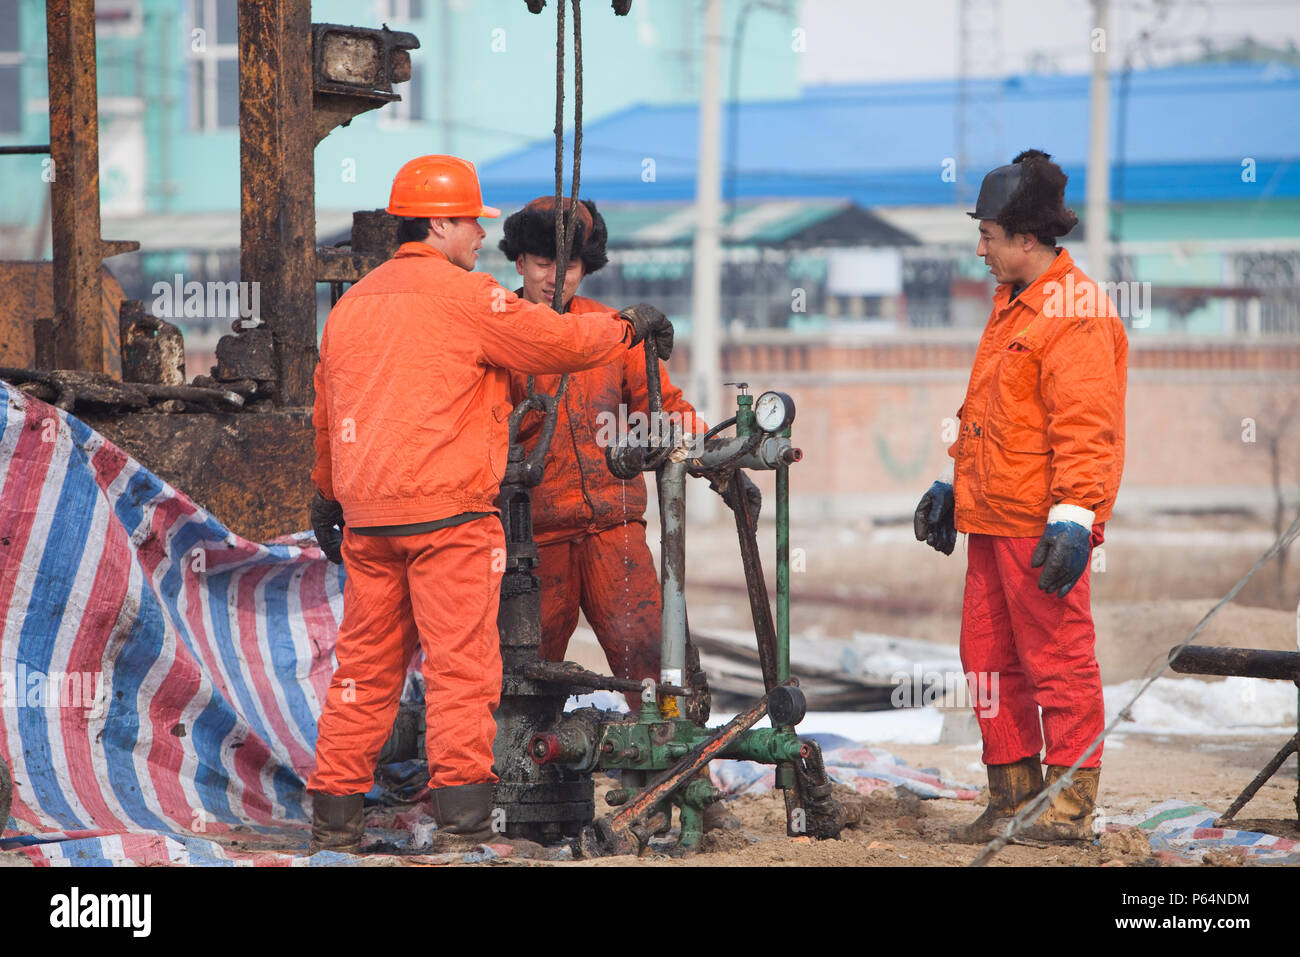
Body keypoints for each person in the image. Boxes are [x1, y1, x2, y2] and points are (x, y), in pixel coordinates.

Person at [305, 156, 675, 854]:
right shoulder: (470, 297)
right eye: (470, 220)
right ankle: (466, 830)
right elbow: (558, 339)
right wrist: (627, 328)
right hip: (449, 521)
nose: (480, 235)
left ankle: (334, 825)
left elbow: (327, 413)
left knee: (362, 673)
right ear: (438, 221)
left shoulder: (352, 305)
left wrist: (327, 493)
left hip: (371, 522)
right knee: (462, 673)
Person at [913, 149, 1127, 844]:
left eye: (988, 236)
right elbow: (993, 411)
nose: (980, 249)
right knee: (988, 660)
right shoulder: (1013, 306)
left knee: (1058, 661)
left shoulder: (1076, 314)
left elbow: (1086, 428)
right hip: (992, 518)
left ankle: (1066, 813)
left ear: (1026, 239)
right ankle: (1012, 798)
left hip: (1040, 525)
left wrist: (1073, 516)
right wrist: (954, 481)